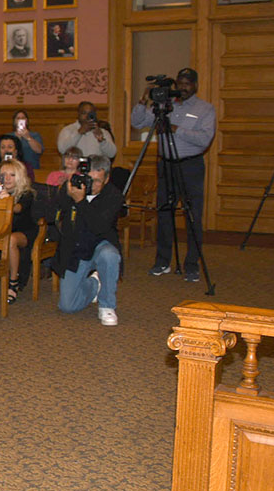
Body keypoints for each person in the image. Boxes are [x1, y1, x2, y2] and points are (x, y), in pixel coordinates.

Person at [130, 67, 216, 282]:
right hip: (166, 166)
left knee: (192, 215)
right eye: (180, 82)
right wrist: (143, 99)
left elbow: (204, 139)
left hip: (190, 166)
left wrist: (177, 129)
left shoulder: (205, 109)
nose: (183, 87)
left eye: (188, 83)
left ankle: (192, 265)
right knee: (164, 213)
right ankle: (162, 261)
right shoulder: (164, 105)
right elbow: (137, 122)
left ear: (195, 85)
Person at [52, 154, 122, 325]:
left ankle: (107, 305)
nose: (92, 184)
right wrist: (66, 194)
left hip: (100, 244)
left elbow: (100, 227)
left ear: (106, 179)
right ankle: (95, 284)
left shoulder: (114, 195)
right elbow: (55, 212)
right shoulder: (73, 188)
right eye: (89, 179)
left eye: (97, 180)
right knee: (67, 306)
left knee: (110, 255)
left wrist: (81, 202)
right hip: (76, 249)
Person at [0, 159, 37, 304]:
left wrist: (8, 200)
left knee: (11, 240)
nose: (7, 178)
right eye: (4, 175)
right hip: (0, 231)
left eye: (12, 175)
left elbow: (18, 209)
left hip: (23, 231)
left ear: (19, 177)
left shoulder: (27, 193)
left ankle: (13, 282)